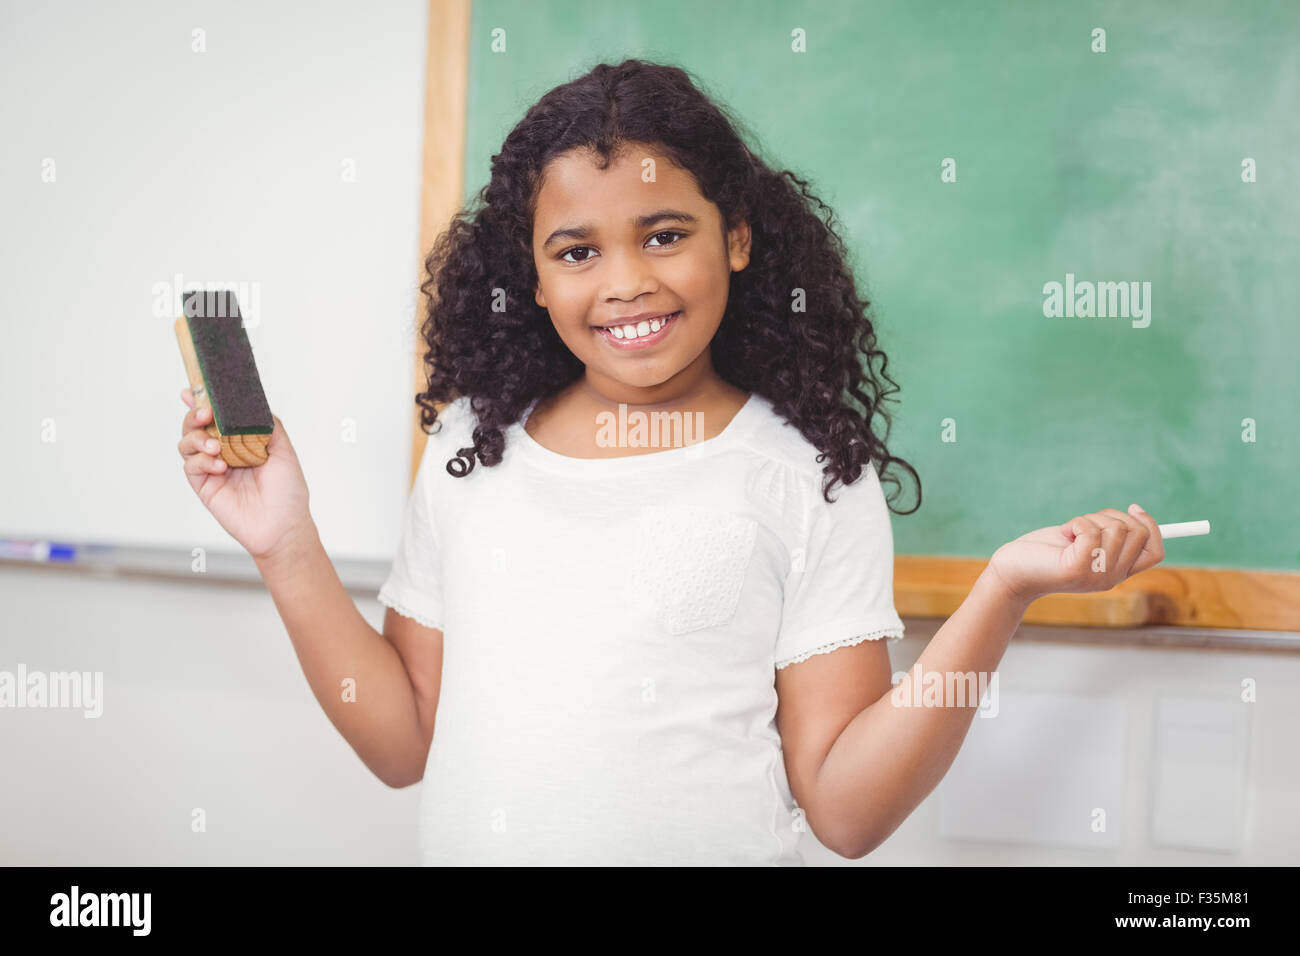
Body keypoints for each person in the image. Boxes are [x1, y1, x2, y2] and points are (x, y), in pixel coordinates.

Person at [176, 58, 1164, 865]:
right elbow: (402, 743)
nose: (626, 283)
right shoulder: (472, 443)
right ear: (529, 272)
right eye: (576, 252)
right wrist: (284, 542)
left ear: (734, 236)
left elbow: (846, 812)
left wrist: (1000, 593)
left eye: (662, 234)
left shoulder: (810, 470)